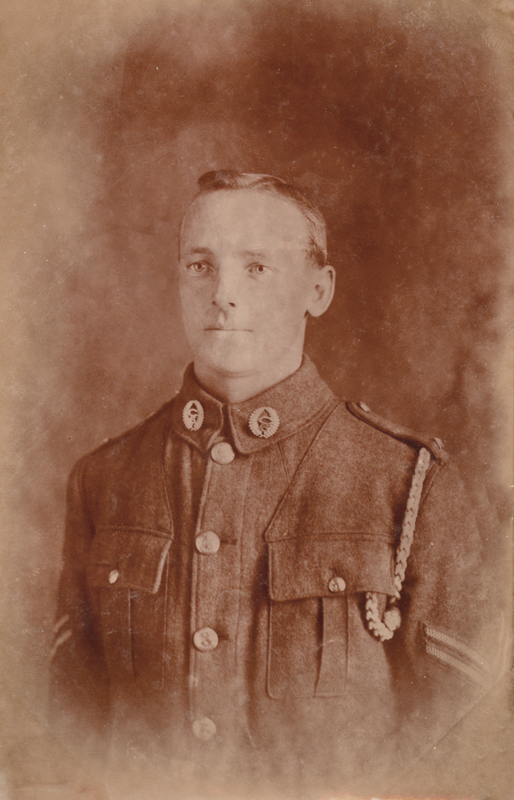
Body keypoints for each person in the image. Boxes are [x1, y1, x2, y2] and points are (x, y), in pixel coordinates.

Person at [49, 171, 502, 799]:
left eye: (257, 267)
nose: (222, 294)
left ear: (319, 288)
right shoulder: (103, 478)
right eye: (200, 265)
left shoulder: (408, 484)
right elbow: (69, 726)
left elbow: (460, 736)